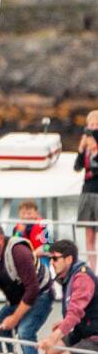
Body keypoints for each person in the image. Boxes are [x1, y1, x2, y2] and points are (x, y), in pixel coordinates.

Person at [0, 220, 53, 354]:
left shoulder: (19, 251)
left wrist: (15, 318)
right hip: (18, 298)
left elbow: (32, 289)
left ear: (0, 239)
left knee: (24, 331)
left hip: (42, 294)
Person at [41, 240, 98, 354]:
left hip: (95, 336)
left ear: (68, 259)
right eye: (50, 259)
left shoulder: (82, 278)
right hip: (82, 330)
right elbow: (80, 311)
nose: (51, 262)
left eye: (55, 258)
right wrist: (63, 323)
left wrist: (53, 338)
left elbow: (75, 313)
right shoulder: (68, 277)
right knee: (49, 353)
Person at [76, 111, 98, 266]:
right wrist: (81, 150)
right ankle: (92, 267)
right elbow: (77, 167)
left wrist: (96, 152)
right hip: (87, 191)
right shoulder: (87, 146)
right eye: (91, 125)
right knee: (89, 234)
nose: (94, 129)